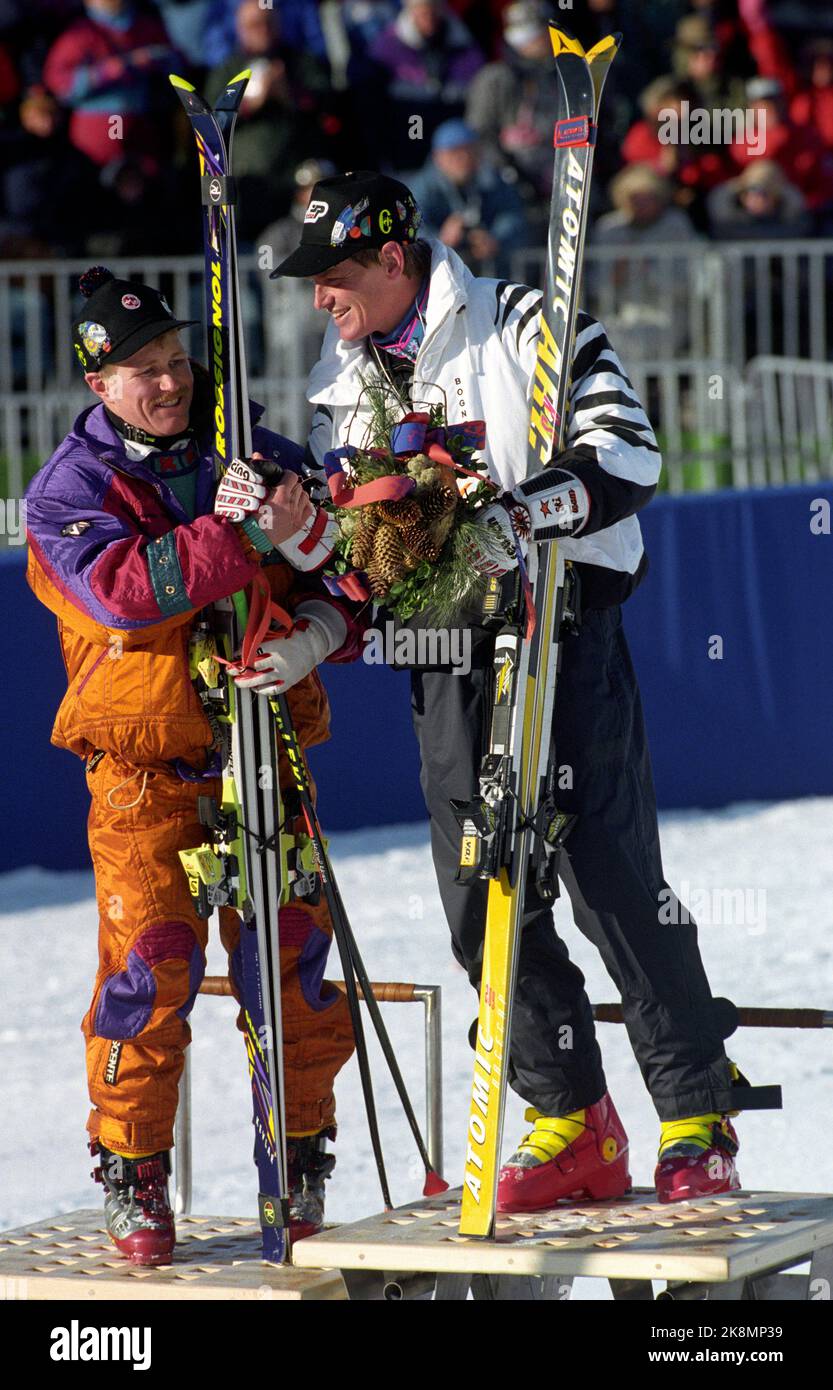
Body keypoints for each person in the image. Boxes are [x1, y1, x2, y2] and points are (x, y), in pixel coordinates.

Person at [271, 170, 776, 1212]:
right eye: (311, 280)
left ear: (395, 259)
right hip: (440, 653)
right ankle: (571, 1120)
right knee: (478, 903)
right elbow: (365, 568)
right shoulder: (339, 381)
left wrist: (524, 512)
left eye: (334, 273)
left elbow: (631, 454)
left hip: (559, 621)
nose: (320, 295)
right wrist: (304, 557)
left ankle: (692, 1113)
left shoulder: (520, 320)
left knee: (609, 873)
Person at [24, 267, 360, 1265]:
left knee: (289, 964)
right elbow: (129, 592)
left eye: (177, 361)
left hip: (265, 746)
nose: (169, 384)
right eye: (142, 371)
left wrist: (310, 594)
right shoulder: (68, 492)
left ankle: (297, 1157)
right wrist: (238, 529)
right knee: (150, 967)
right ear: (98, 382)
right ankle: (132, 1171)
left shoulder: (259, 448)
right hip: (144, 769)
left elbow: (349, 574)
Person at [408, 118, 531, 278]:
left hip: (488, 276)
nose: (464, 159)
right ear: (438, 157)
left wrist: (495, 239)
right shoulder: (421, 188)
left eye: (470, 150)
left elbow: (513, 214)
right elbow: (410, 228)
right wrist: (439, 240)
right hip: (437, 278)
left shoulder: (493, 181)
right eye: (454, 153)